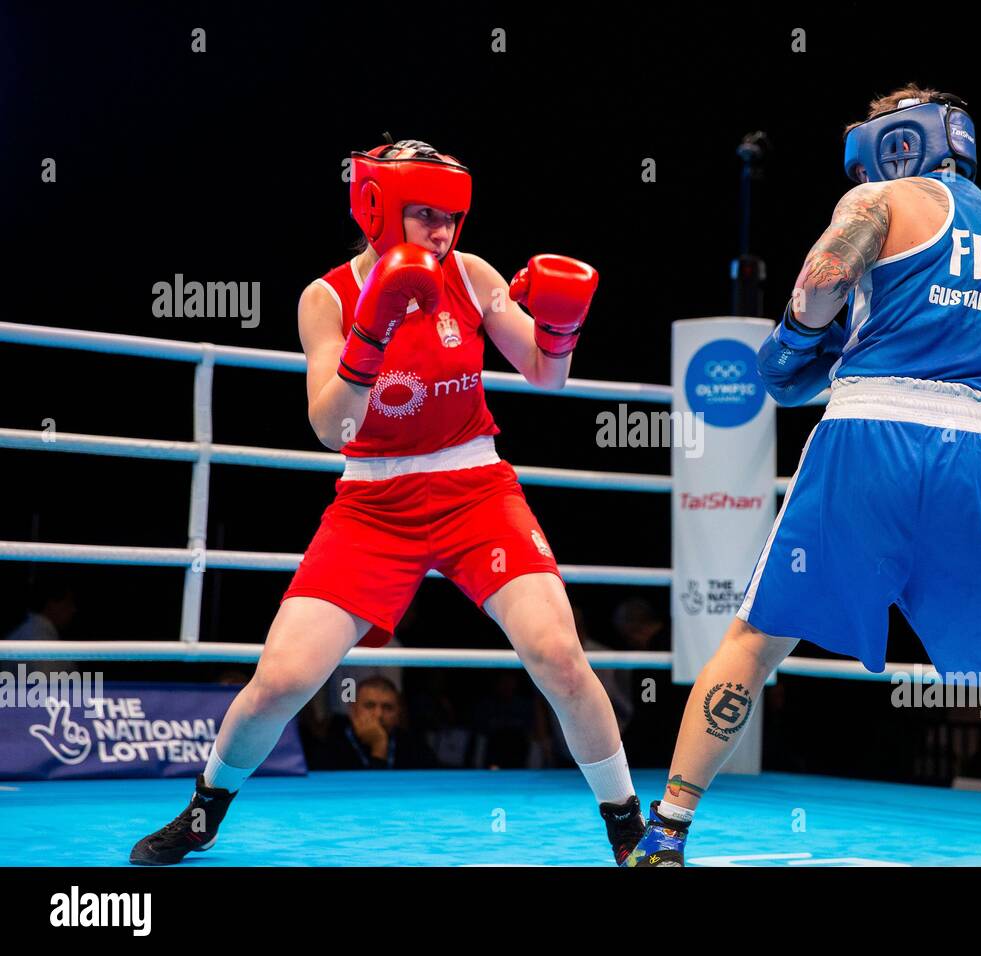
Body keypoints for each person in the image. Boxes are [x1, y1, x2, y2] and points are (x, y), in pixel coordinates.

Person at [628, 87, 981, 867]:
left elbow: (824, 278)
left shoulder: (881, 196)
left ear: (898, 137)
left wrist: (797, 340)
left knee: (755, 639)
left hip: (870, 437)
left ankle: (666, 833)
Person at [131, 139, 644, 865]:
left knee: (559, 654)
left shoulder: (471, 275)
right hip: (372, 504)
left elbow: (546, 375)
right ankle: (203, 810)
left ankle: (629, 830)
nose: (441, 232)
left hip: (475, 489)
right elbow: (329, 424)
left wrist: (560, 328)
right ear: (378, 210)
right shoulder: (327, 297)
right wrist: (374, 327)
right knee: (281, 680)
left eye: (451, 217)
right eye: (425, 215)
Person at [314, 676, 435, 770]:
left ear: (398, 713)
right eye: (369, 706)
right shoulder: (332, 747)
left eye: (388, 707)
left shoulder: (413, 746)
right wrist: (379, 747)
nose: (378, 714)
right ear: (353, 710)